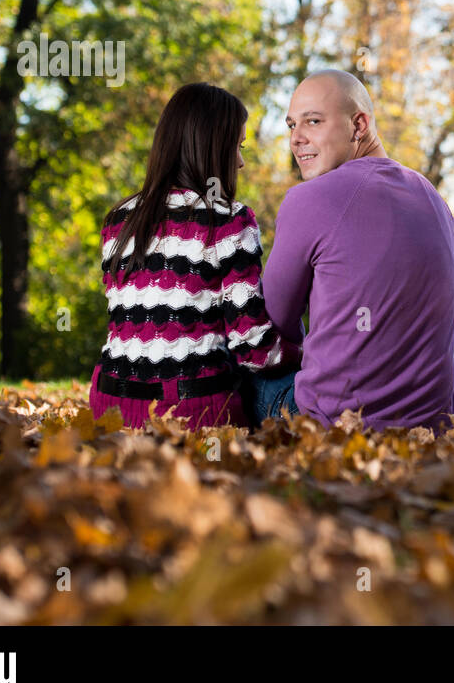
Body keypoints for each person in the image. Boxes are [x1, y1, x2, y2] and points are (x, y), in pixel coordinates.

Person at [246, 69, 454, 434]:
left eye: (313, 121)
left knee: (236, 353)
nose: (296, 139)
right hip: (432, 424)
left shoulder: (307, 199)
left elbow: (273, 321)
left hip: (329, 424)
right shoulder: (429, 193)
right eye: (292, 125)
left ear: (359, 125)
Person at [88, 83, 302, 430]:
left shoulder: (119, 220)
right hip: (193, 414)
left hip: (109, 408)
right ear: (211, 148)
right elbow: (254, 348)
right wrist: (303, 356)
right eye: (237, 146)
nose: (241, 161)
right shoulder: (229, 220)